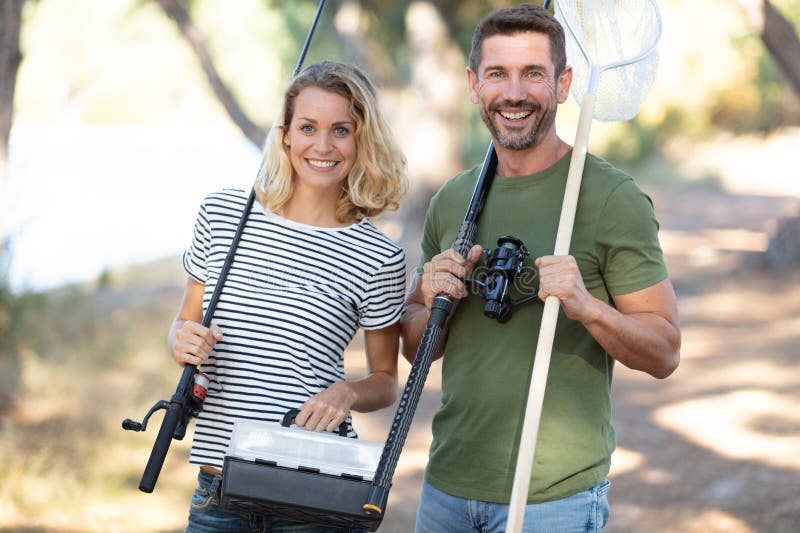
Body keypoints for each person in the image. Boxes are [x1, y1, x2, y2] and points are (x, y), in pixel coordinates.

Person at [400, 4, 681, 532]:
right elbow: (417, 349)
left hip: (554, 500)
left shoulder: (610, 197)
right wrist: (435, 300)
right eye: (497, 73)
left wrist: (588, 307)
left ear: (563, 83)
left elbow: (664, 351)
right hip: (446, 491)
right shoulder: (453, 201)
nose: (514, 93)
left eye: (533, 73)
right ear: (472, 84)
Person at [169, 60, 408, 533]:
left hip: (313, 491)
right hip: (218, 492)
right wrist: (180, 341)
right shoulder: (223, 215)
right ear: (285, 135)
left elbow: (385, 381)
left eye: (341, 130)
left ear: (362, 140)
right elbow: (182, 324)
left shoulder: (379, 255)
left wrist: (346, 392)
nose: (322, 145)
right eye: (308, 127)